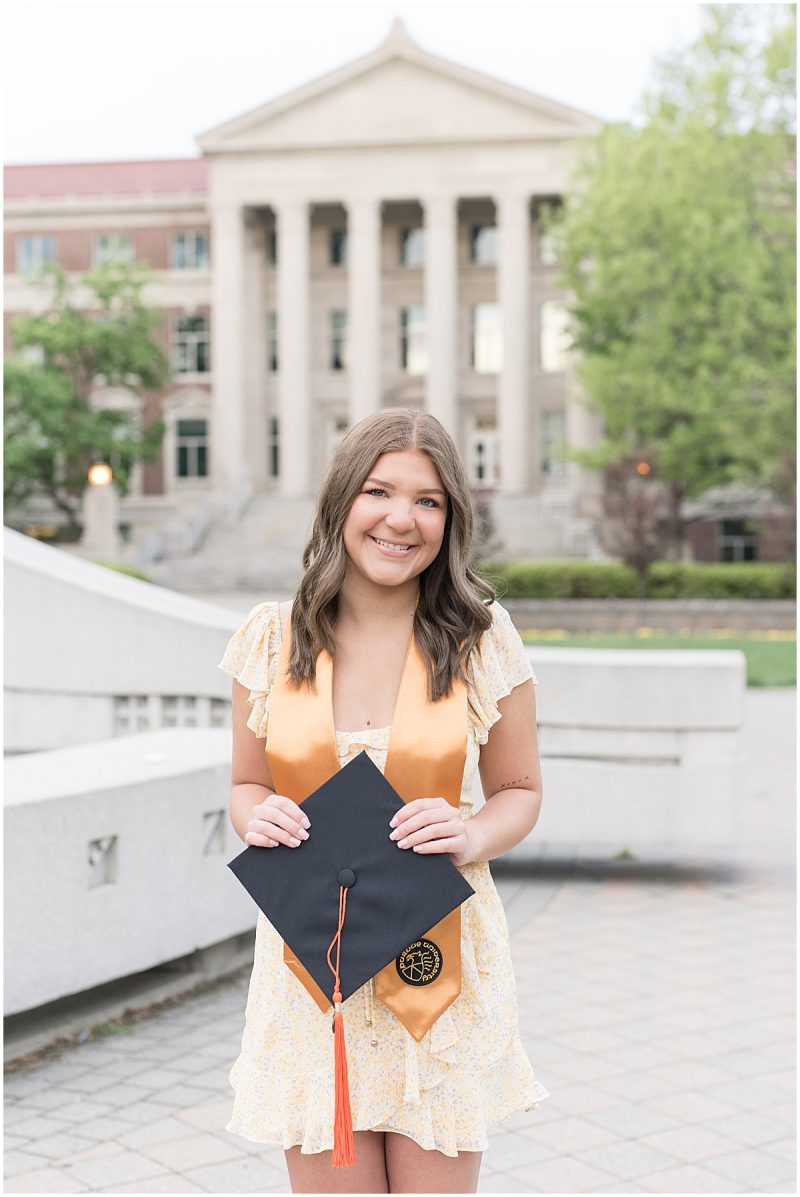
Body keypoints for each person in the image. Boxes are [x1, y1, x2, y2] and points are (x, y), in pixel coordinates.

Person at [218, 407, 550, 1194]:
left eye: (428, 500)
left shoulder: (478, 637)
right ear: (342, 503)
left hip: (437, 965)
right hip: (314, 978)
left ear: (450, 520)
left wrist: (470, 833)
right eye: (380, 491)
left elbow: (521, 790)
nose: (402, 518)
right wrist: (253, 813)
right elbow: (246, 782)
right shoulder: (272, 640)